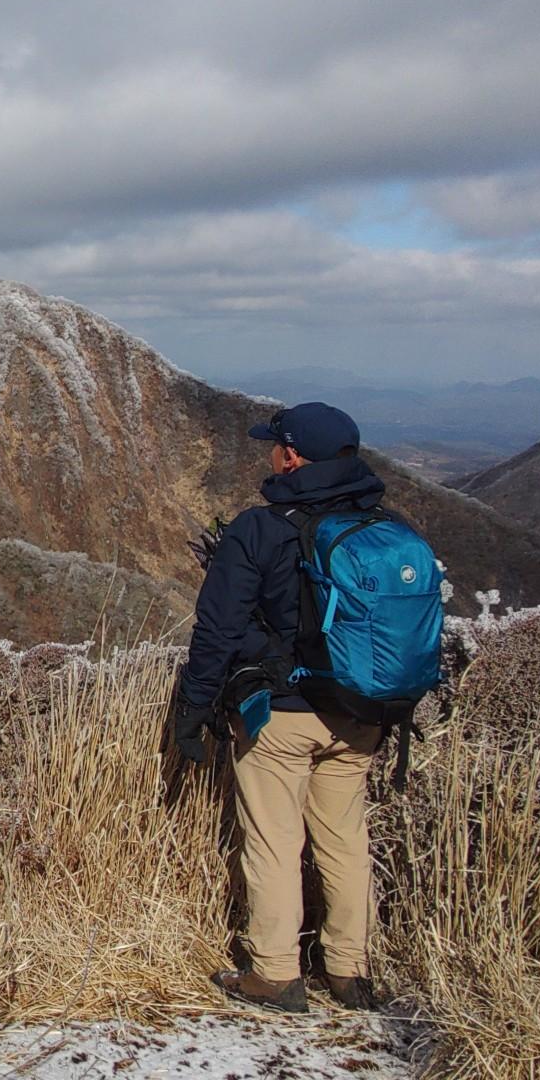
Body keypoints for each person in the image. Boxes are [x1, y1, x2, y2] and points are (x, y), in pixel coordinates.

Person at [171, 401, 385, 1014]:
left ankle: (274, 974)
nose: (271, 453)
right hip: (361, 712)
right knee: (344, 838)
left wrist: (194, 705)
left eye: (276, 445)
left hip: (281, 714)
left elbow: (217, 628)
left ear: (291, 456)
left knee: (273, 839)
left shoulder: (261, 528)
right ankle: (349, 971)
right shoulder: (380, 526)